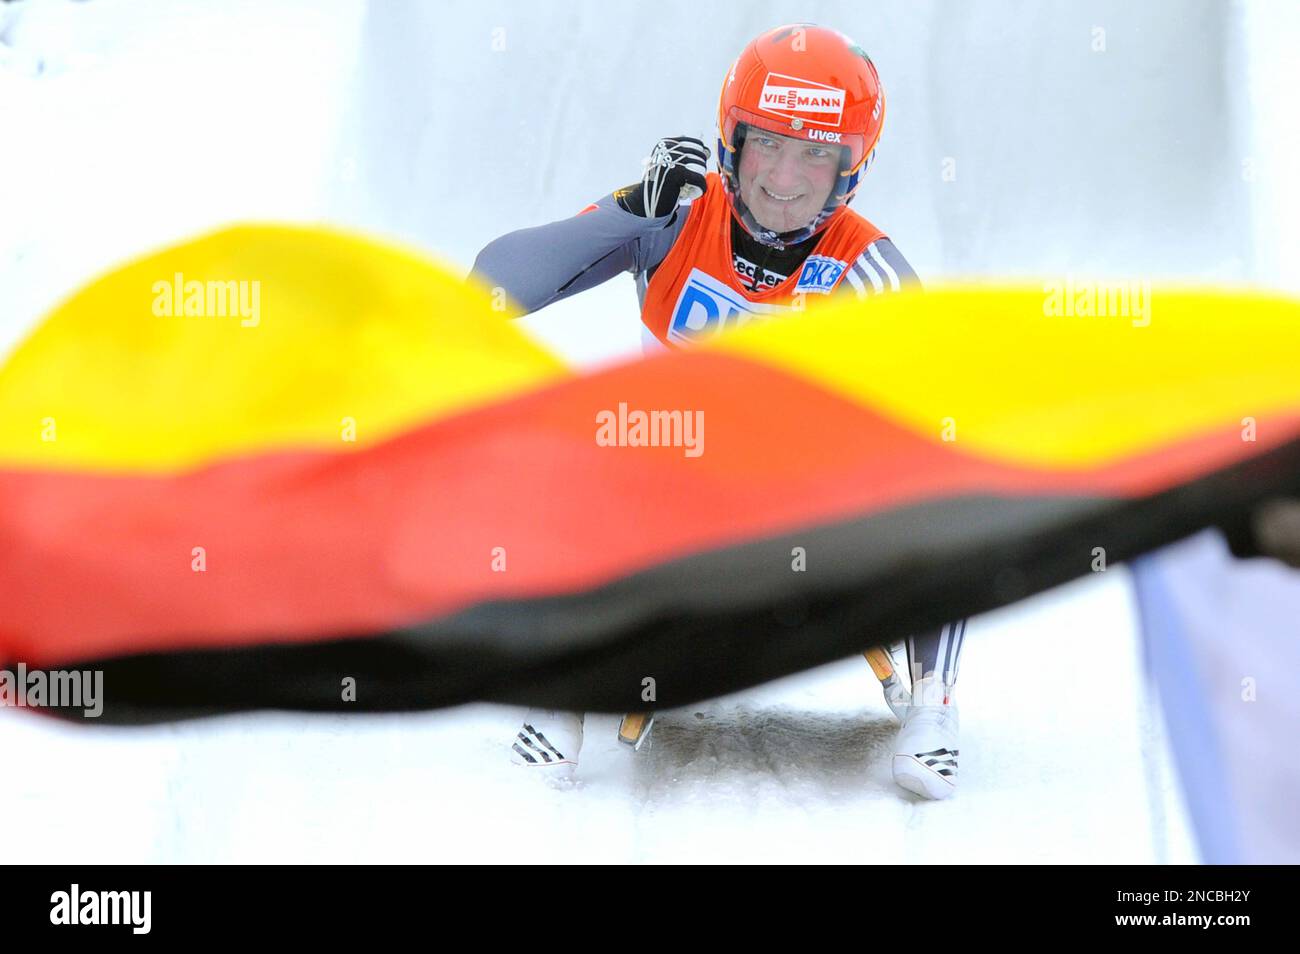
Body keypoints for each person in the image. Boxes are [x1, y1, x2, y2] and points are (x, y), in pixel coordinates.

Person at [471, 23, 966, 799]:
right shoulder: (673, 220)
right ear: (730, 141)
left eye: (817, 154)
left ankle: (934, 702)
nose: (786, 177)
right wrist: (631, 213)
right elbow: (494, 286)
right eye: (768, 144)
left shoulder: (869, 268)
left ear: (850, 172)